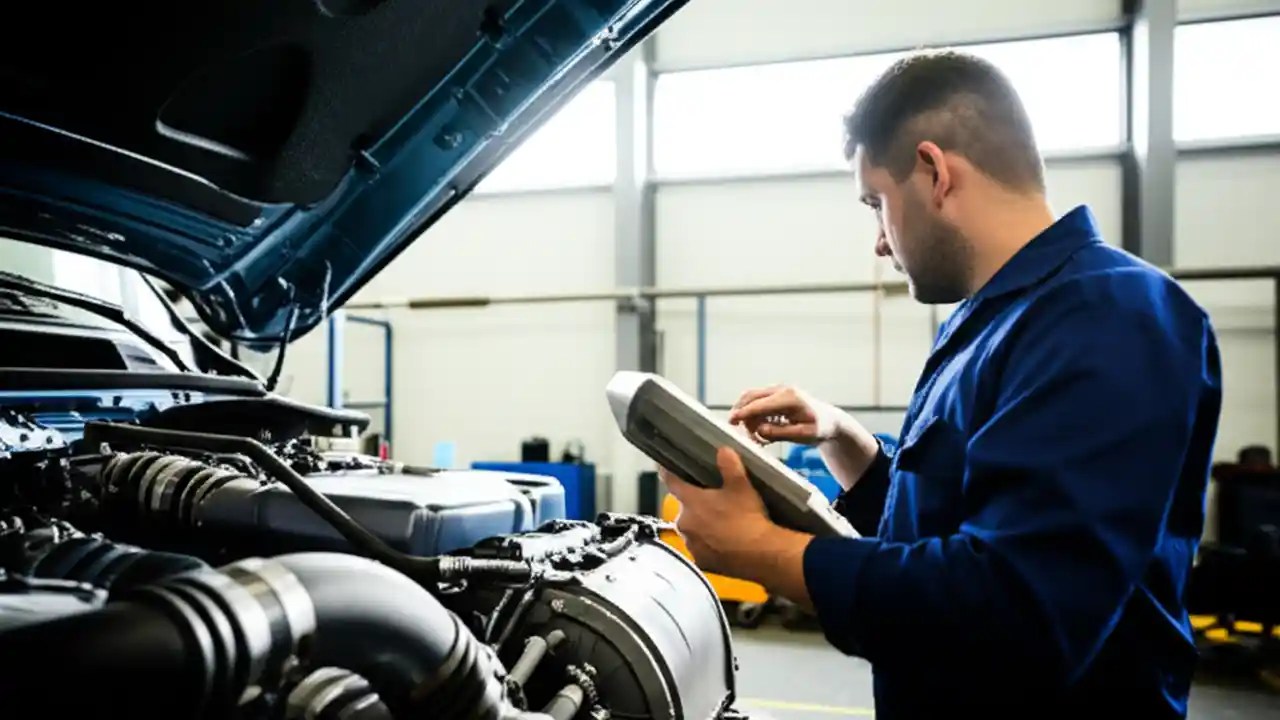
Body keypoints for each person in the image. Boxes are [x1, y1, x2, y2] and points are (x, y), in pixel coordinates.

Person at [659, 50, 1223, 717]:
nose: (878, 241)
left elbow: (1021, 611)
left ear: (933, 172)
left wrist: (764, 551)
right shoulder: (992, 321)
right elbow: (949, 530)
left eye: (877, 203)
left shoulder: (1113, 316)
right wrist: (852, 447)